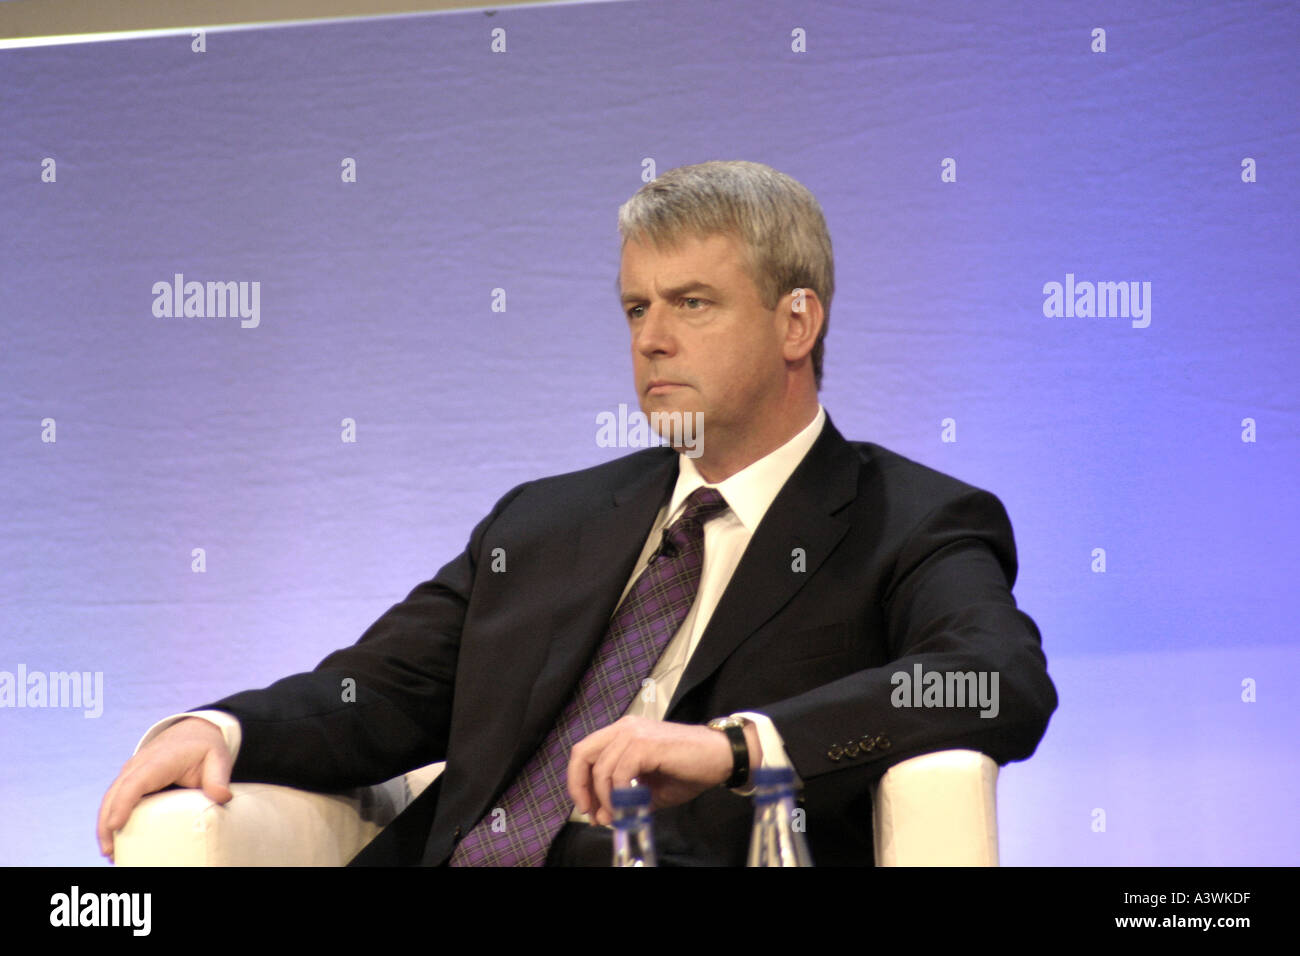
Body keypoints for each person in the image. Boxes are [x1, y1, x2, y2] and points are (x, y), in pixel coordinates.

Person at [97, 160, 1058, 866]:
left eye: (692, 303)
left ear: (796, 323)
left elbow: (993, 680)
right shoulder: (545, 523)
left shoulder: (912, 519)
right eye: (636, 308)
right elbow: (381, 692)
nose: (653, 341)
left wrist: (734, 747)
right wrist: (221, 728)